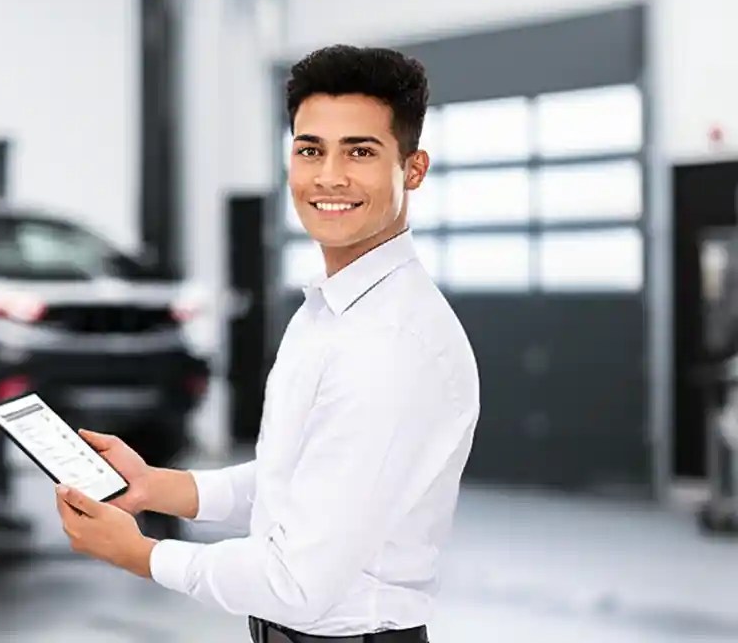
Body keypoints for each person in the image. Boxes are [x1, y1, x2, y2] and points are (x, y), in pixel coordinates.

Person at [52, 44, 480, 642]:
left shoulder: (388, 344)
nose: (328, 176)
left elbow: (296, 584)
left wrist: (142, 554)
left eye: (360, 151)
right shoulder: (331, 311)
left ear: (412, 169)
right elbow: (299, 476)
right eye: (310, 150)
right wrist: (158, 486)